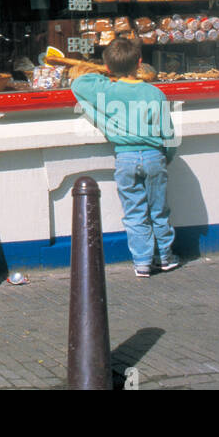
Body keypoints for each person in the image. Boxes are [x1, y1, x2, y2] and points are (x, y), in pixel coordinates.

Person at [72, 37, 179, 278]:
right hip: (154, 156)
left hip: (126, 158)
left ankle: (142, 261)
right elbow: (169, 133)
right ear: (140, 62)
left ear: (108, 68)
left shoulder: (107, 90)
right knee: (158, 209)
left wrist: (105, 73)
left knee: (135, 211)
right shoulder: (155, 93)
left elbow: (79, 83)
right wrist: (167, 157)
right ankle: (164, 257)